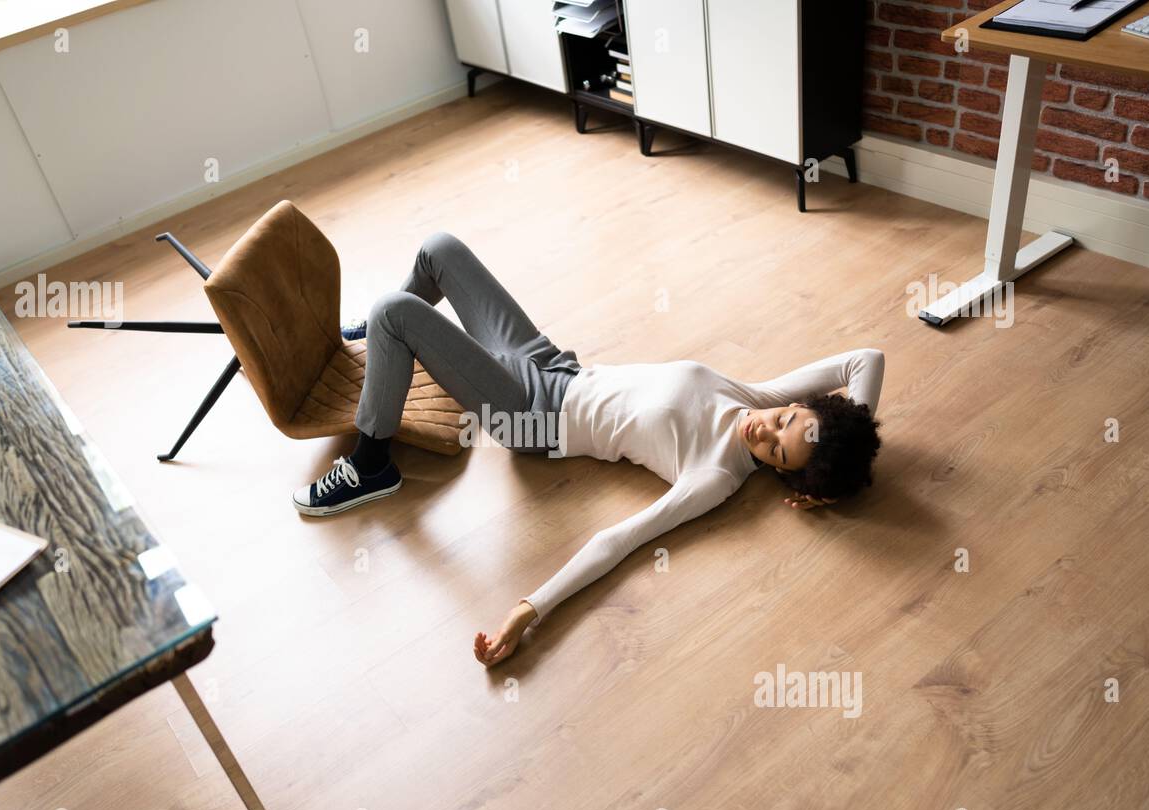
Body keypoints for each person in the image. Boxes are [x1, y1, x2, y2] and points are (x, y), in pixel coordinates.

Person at [292, 233, 885, 666]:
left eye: (778, 453)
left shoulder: (716, 475)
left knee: (395, 311)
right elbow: (867, 358)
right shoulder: (757, 396)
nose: (765, 431)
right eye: (784, 421)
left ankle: (371, 465)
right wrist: (844, 443)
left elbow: (620, 541)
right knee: (438, 251)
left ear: (780, 476)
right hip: (551, 364)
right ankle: (384, 350)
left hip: (528, 417)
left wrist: (528, 611)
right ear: (798, 406)